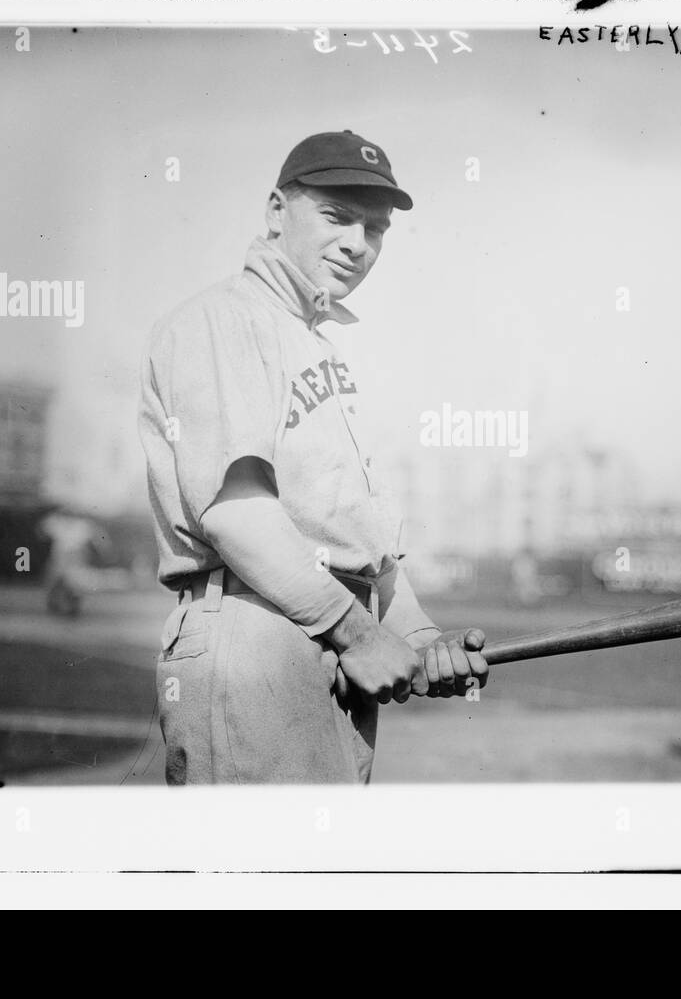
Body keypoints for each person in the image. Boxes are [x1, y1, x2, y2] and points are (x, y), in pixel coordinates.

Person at [137, 130, 488, 784]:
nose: (358, 243)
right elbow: (237, 514)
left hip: (324, 628)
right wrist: (358, 635)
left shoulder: (323, 349)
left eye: (375, 228)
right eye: (336, 215)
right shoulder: (221, 319)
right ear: (276, 211)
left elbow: (361, 539)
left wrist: (416, 635)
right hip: (253, 634)